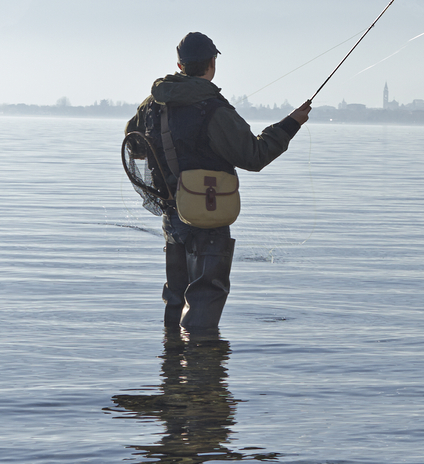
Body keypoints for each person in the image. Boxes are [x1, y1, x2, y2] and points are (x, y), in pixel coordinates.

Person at [126, 32, 312, 333]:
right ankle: (201, 370)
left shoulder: (152, 104)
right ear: (212, 64)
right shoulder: (213, 109)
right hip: (207, 215)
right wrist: (291, 124)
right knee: (205, 297)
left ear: (180, 65)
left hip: (171, 215)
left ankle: (173, 369)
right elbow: (255, 155)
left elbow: (133, 145)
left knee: (176, 297)